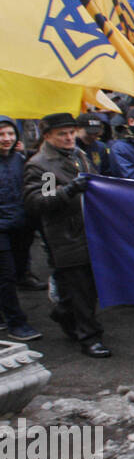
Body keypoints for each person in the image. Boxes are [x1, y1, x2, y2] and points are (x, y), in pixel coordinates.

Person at [22, 113, 108, 357]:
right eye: (62, 134)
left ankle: (64, 313)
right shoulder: (43, 165)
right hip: (66, 235)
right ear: (47, 136)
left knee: (82, 287)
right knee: (81, 289)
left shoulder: (78, 154)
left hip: (87, 229)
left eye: (71, 132)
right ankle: (89, 337)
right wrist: (69, 190)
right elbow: (40, 201)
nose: (69, 137)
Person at [0, 116, 40, 342]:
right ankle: (17, 322)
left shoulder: (22, 159)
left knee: (13, 273)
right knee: (5, 276)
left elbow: (44, 183)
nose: (6, 139)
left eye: (10, 134)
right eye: (1, 134)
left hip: (20, 226)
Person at [75, 113, 116, 178]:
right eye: (89, 133)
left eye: (96, 133)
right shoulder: (68, 148)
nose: (93, 136)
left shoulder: (100, 147)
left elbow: (106, 172)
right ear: (77, 129)